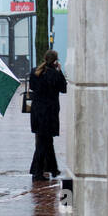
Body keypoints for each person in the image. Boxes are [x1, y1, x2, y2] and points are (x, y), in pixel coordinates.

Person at [28, 49, 67, 180]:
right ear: (55, 61)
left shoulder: (34, 71)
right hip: (49, 112)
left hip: (37, 111)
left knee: (46, 140)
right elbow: (64, 89)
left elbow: (33, 87)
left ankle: (53, 169)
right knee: (43, 142)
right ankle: (37, 172)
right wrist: (60, 71)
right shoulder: (54, 75)